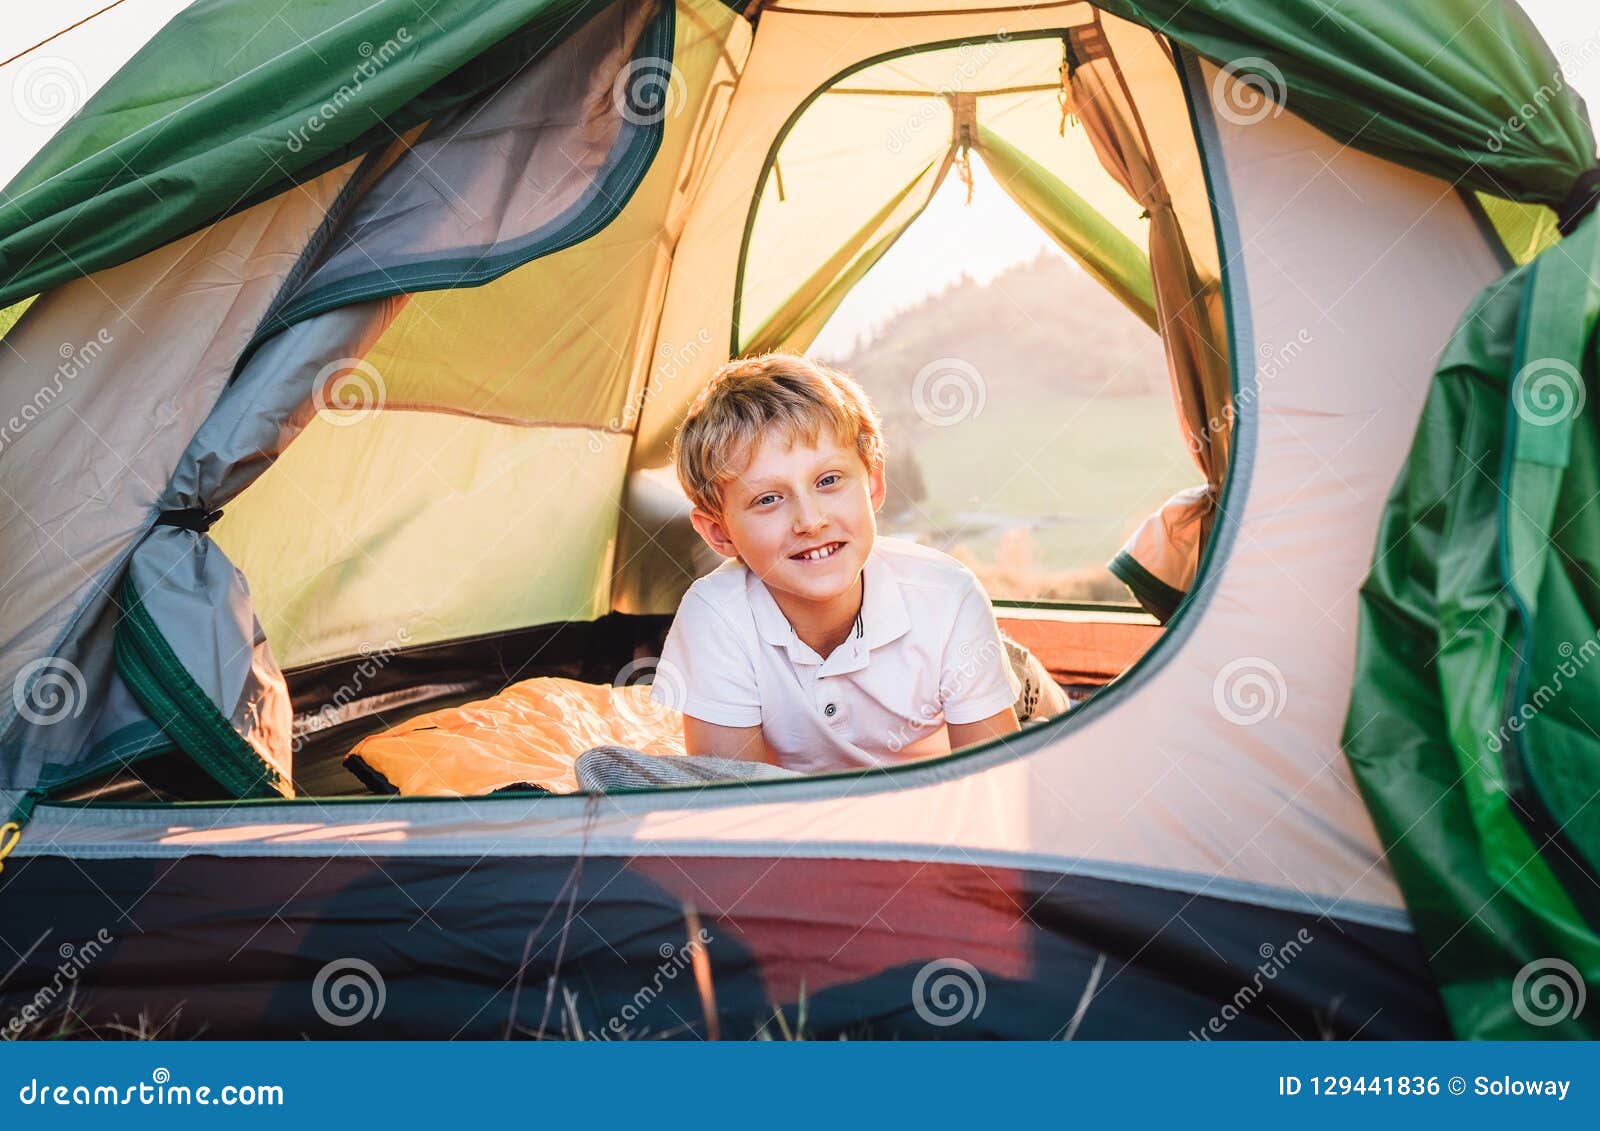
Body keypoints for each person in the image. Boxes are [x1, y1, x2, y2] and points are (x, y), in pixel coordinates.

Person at [642, 352, 1022, 775]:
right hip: (818, 821)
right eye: (768, 499)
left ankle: (1018, 673)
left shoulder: (949, 596)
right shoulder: (714, 617)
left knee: (1049, 732)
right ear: (720, 533)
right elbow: (736, 810)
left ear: (873, 484)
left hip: (958, 754)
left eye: (828, 481)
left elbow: (995, 788)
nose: (810, 521)